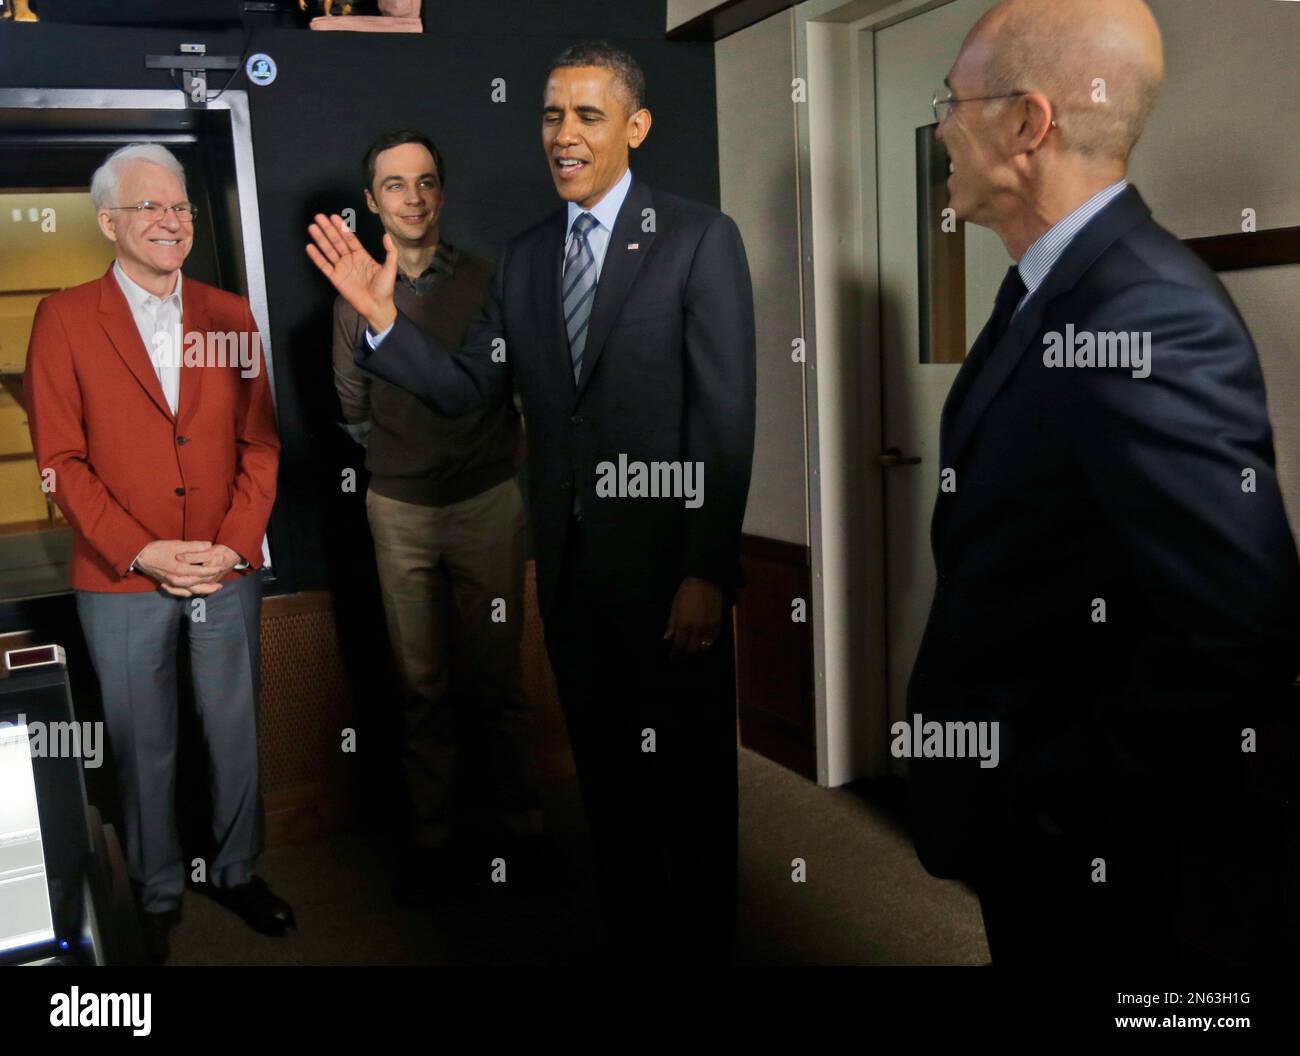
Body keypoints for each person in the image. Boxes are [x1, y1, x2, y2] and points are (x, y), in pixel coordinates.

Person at [307, 41, 755, 961]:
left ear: (635, 127)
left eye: (587, 115)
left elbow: (725, 417)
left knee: (692, 788)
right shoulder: (523, 259)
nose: (564, 134)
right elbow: (469, 387)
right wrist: (384, 322)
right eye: (551, 115)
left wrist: (707, 568)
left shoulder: (700, 238)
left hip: (673, 582)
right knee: (610, 790)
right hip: (575, 581)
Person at [908, 0, 1300, 964]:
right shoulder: (1041, 282)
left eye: (949, 103)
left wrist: (1063, 798)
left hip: (1091, 846)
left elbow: (1240, 629)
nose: (939, 131)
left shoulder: (1150, 309)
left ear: (1027, 124)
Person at [24, 143, 290, 964]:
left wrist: (232, 546)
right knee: (142, 740)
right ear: (109, 223)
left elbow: (261, 446)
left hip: (223, 565)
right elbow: (60, 462)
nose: (172, 220)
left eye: (180, 207)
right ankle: (159, 888)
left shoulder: (229, 315)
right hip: (120, 576)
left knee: (231, 729)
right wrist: (143, 553)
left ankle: (238, 870)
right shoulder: (63, 318)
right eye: (151, 207)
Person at [330, 129, 537, 898]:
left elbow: (498, 388)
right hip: (400, 513)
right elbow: (352, 410)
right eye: (394, 185)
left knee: (498, 677)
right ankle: (435, 832)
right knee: (421, 684)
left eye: (425, 183)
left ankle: (517, 819)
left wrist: (471, 451)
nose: (412, 197)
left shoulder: (489, 279)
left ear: (441, 194)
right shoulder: (350, 300)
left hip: (486, 505)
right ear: (372, 200)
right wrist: (409, 457)